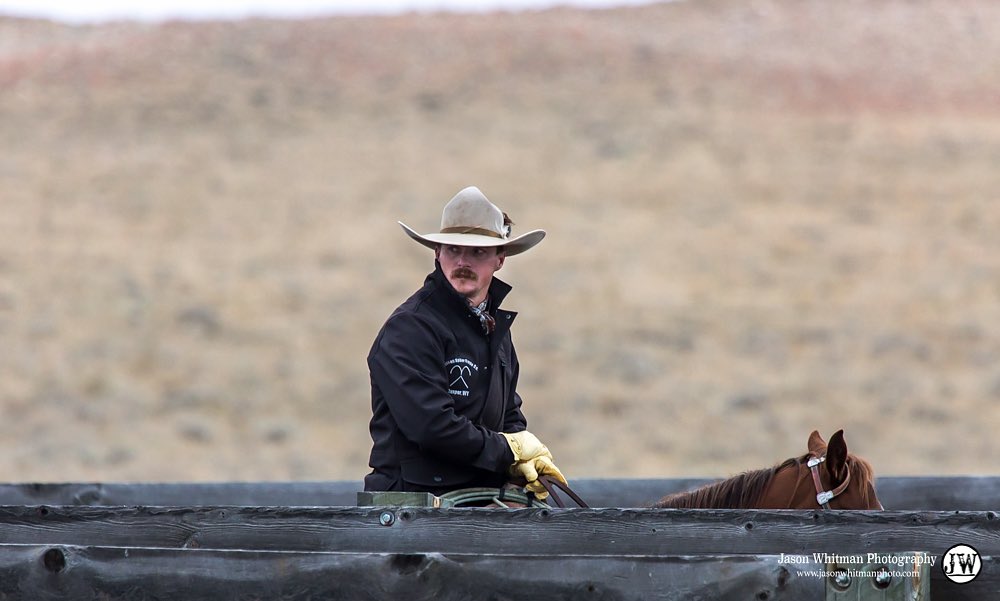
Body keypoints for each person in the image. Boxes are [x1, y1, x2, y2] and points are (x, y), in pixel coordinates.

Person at [364, 186, 566, 499]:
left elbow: (508, 415)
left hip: (477, 502)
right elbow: (433, 427)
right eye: (453, 250)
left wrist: (520, 471)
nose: (463, 261)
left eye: (478, 252)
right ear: (437, 253)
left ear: (500, 259)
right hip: (410, 508)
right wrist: (510, 451)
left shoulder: (495, 329)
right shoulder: (410, 329)